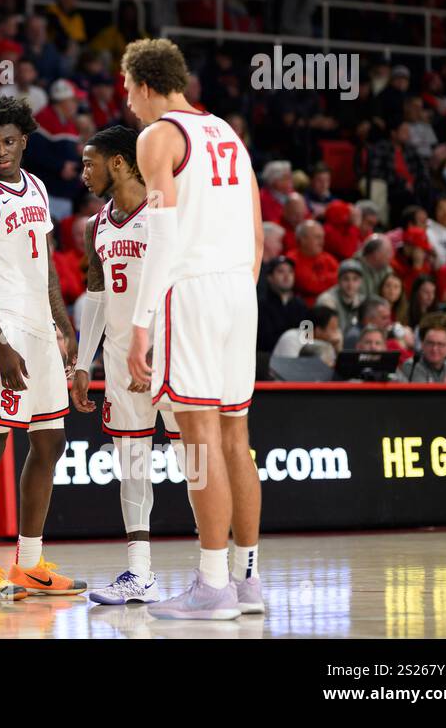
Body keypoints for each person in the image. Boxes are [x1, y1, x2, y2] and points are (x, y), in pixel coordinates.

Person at [122, 38, 263, 620]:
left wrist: (140, 322)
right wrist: (236, 294)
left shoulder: (158, 135)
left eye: (128, 89)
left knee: (199, 441)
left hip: (194, 291)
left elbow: (166, 236)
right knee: (236, 439)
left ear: (147, 86)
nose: (128, 103)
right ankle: (247, 579)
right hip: (237, 290)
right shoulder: (227, 133)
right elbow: (258, 234)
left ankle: (211, 585)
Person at [0, 96, 82, 601]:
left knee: (50, 441)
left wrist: (61, 322)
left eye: (7, 142)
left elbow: (45, 261)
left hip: (39, 329)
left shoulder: (39, 188)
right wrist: (0, 342)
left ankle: (29, 562)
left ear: (24, 140)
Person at [70, 126, 186, 604]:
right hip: (119, 364)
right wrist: (82, 363)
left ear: (118, 163)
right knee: (132, 465)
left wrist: (165, 349)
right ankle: (140, 573)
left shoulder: (165, 212)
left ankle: (219, 569)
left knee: (194, 462)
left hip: (171, 358)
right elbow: (96, 296)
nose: (83, 173)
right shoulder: (95, 225)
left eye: (89, 163)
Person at [256, 256, 310, 354]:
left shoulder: (301, 305)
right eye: (280, 271)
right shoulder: (261, 305)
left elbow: (308, 337)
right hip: (270, 360)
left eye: (290, 272)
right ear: (270, 277)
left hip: (299, 358)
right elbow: (263, 341)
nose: (286, 276)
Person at [396, 313, 446, 383]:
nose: (434, 349)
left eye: (440, 344)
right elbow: (423, 395)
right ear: (422, 344)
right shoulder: (412, 366)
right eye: (430, 343)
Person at [316, 259, 367, 336]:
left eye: (355, 279)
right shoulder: (327, 300)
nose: (350, 284)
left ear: (360, 282)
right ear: (338, 280)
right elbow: (325, 332)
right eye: (346, 279)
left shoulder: (363, 300)